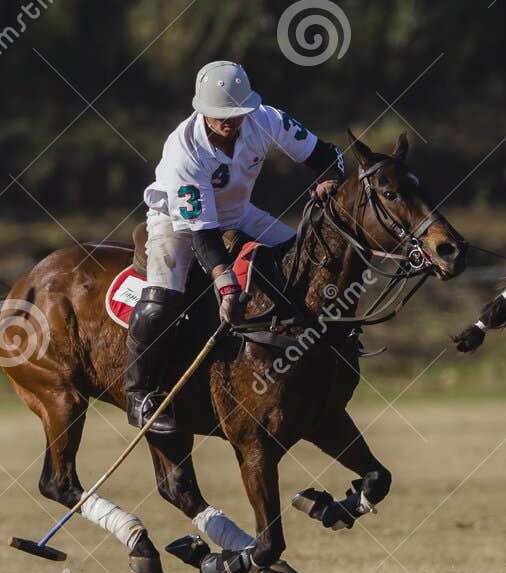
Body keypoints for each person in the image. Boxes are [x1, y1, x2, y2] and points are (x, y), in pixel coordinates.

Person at [127, 60, 345, 434]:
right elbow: (203, 234)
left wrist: (330, 179)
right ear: (202, 110)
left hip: (238, 212)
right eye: (218, 114)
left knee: (306, 262)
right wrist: (226, 286)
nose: (229, 121)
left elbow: (326, 155)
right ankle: (139, 394)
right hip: (175, 222)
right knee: (163, 298)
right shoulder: (184, 150)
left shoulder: (266, 118)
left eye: (237, 112)